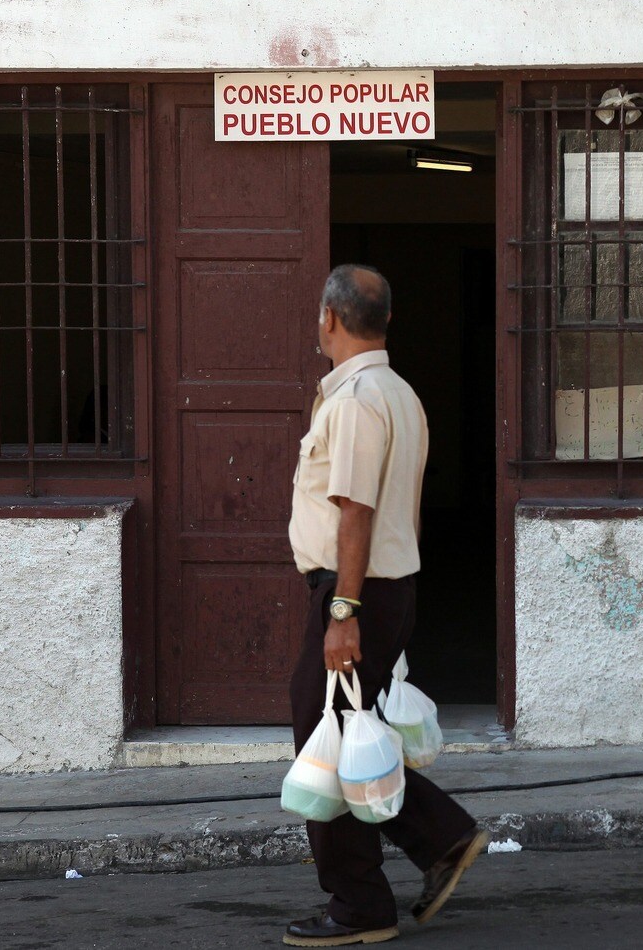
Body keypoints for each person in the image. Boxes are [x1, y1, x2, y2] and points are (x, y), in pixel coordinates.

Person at [285, 264, 488, 946]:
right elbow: (407, 513)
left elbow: (357, 513)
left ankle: (360, 907)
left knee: (326, 749)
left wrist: (343, 612)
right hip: (384, 589)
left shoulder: (356, 400)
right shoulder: (398, 393)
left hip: (355, 593)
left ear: (330, 320)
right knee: (346, 737)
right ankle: (442, 838)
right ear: (387, 320)